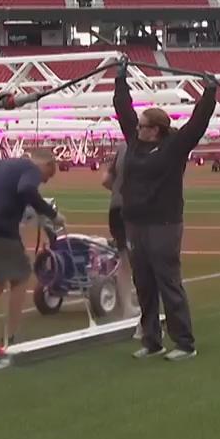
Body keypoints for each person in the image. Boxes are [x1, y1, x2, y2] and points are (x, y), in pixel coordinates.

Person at [114, 61, 217, 361]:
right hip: (135, 223)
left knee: (168, 281)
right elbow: (123, 109)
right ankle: (151, 340)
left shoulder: (174, 147)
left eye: (143, 125)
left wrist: (209, 92)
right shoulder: (134, 142)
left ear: (156, 130)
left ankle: (184, 342)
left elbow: (198, 123)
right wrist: (121, 78)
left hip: (164, 224)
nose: (137, 128)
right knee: (143, 283)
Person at [0, 148, 60, 348]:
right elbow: (26, 189)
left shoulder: (3, 166)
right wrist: (51, 213)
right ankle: (11, 336)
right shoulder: (31, 169)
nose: (44, 181)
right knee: (21, 276)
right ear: (47, 165)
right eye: (47, 176)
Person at [101, 140, 141, 327]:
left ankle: (127, 306)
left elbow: (106, 180)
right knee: (144, 257)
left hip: (116, 208)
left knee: (124, 259)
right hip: (138, 208)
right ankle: (146, 302)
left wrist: (118, 190)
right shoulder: (152, 147)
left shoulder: (123, 147)